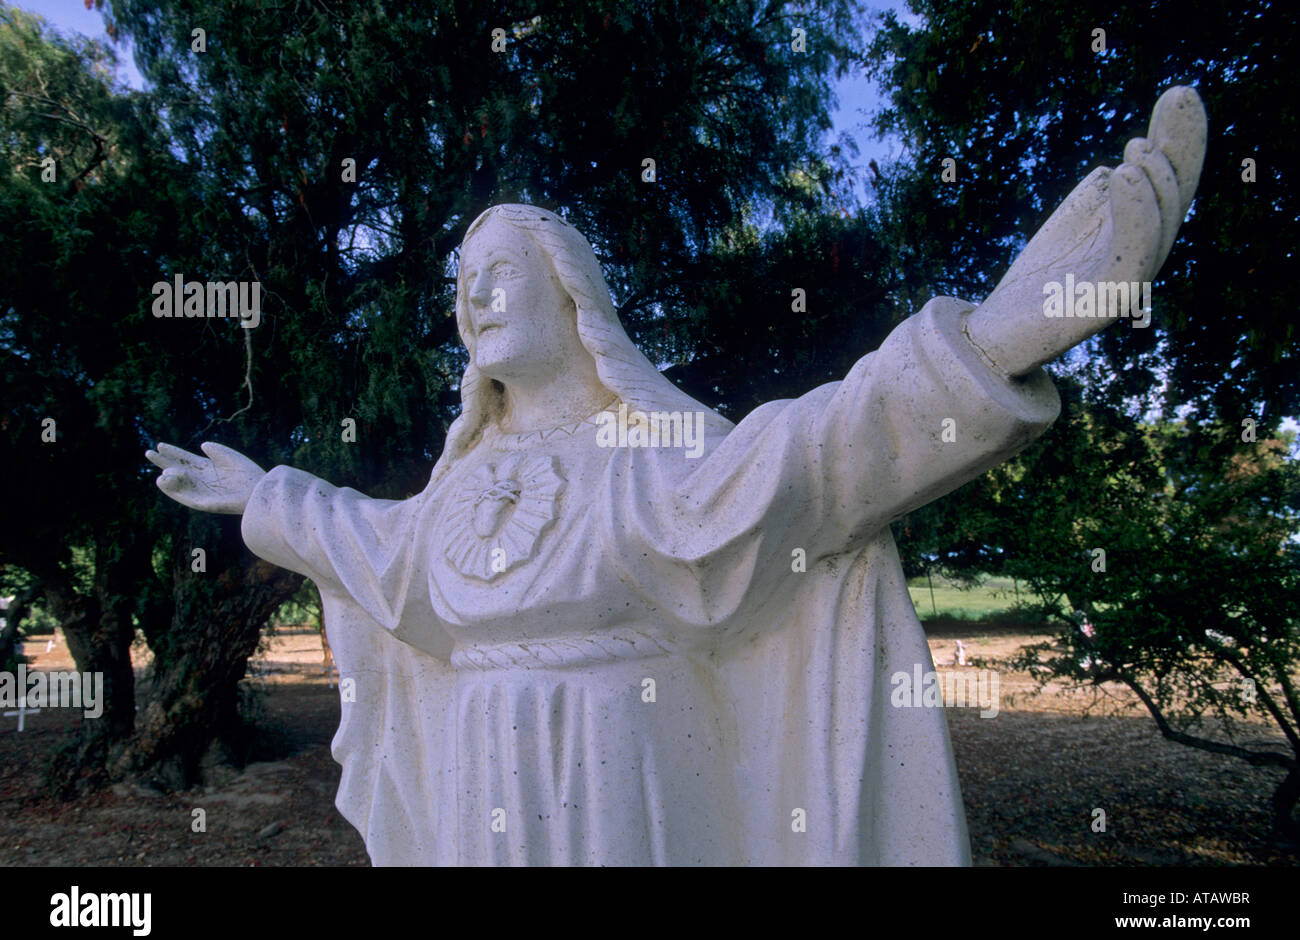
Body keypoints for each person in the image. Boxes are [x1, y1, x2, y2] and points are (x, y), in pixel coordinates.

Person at [147, 88, 1205, 865]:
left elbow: (830, 450)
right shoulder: (459, 486)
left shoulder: (659, 457)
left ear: (569, 294)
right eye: (459, 286)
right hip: (482, 779)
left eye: (496, 275)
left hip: (624, 767)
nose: (469, 302)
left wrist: (998, 337)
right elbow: (369, 542)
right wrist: (265, 498)